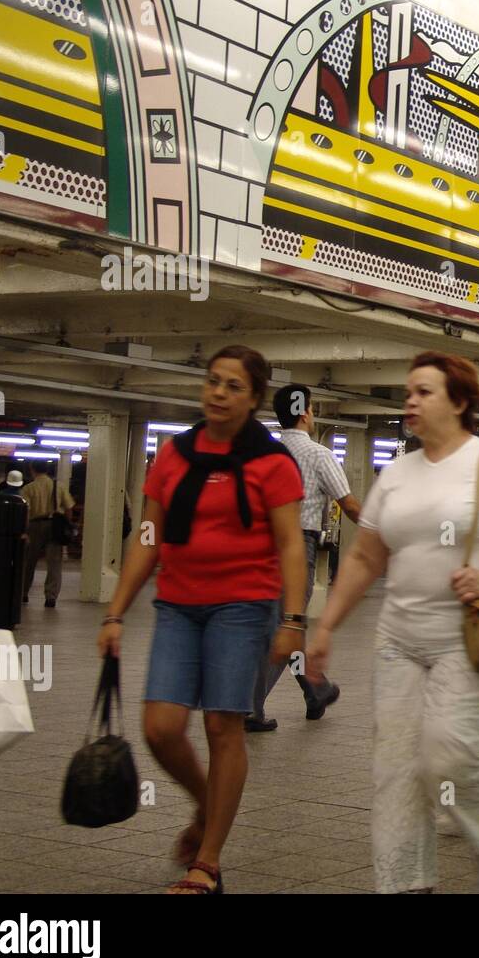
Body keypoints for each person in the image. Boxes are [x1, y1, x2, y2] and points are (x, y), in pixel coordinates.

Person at [306, 351, 479, 893]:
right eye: (409, 391)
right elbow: (367, 557)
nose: (410, 401)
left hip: (464, 640)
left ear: (459, 402)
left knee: (450, 752)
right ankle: (404, 883)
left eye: (424, 392)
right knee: (395, 770)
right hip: (397, 642)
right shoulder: (396, 473)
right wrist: (324, 627)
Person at [97, 345, 308, 895]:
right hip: (178, 605)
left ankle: (207, 863)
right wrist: (115, 610)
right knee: (160, 728)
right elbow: (148, 537)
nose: (218, 393)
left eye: (233, 386)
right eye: (213, 381)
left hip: (244, 605)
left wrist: (293, 620)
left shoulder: (272, 463)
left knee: (222, 725)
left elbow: (290, 547)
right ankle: (204, 802)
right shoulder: (174, 454)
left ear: (254, 398)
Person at [247, 383, 362, 733]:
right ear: (306, 413)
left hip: (260, 547)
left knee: (276, 626)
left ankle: (316, 689)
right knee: (287, 626)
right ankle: (249, 709)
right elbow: (350, 505)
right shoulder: (318, 454)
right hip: (298, 546)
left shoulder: (263, 452)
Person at [20, 461, 74, 607]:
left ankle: (23, 593)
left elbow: (25, 511)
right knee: (54, 563)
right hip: (54, 525)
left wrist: (24, 531)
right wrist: (66, 525)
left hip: (35, 525)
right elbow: (69, 508)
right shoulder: (59, 487)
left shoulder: (28, 488)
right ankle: (51, 597)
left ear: (32, 469)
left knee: (28, 561)